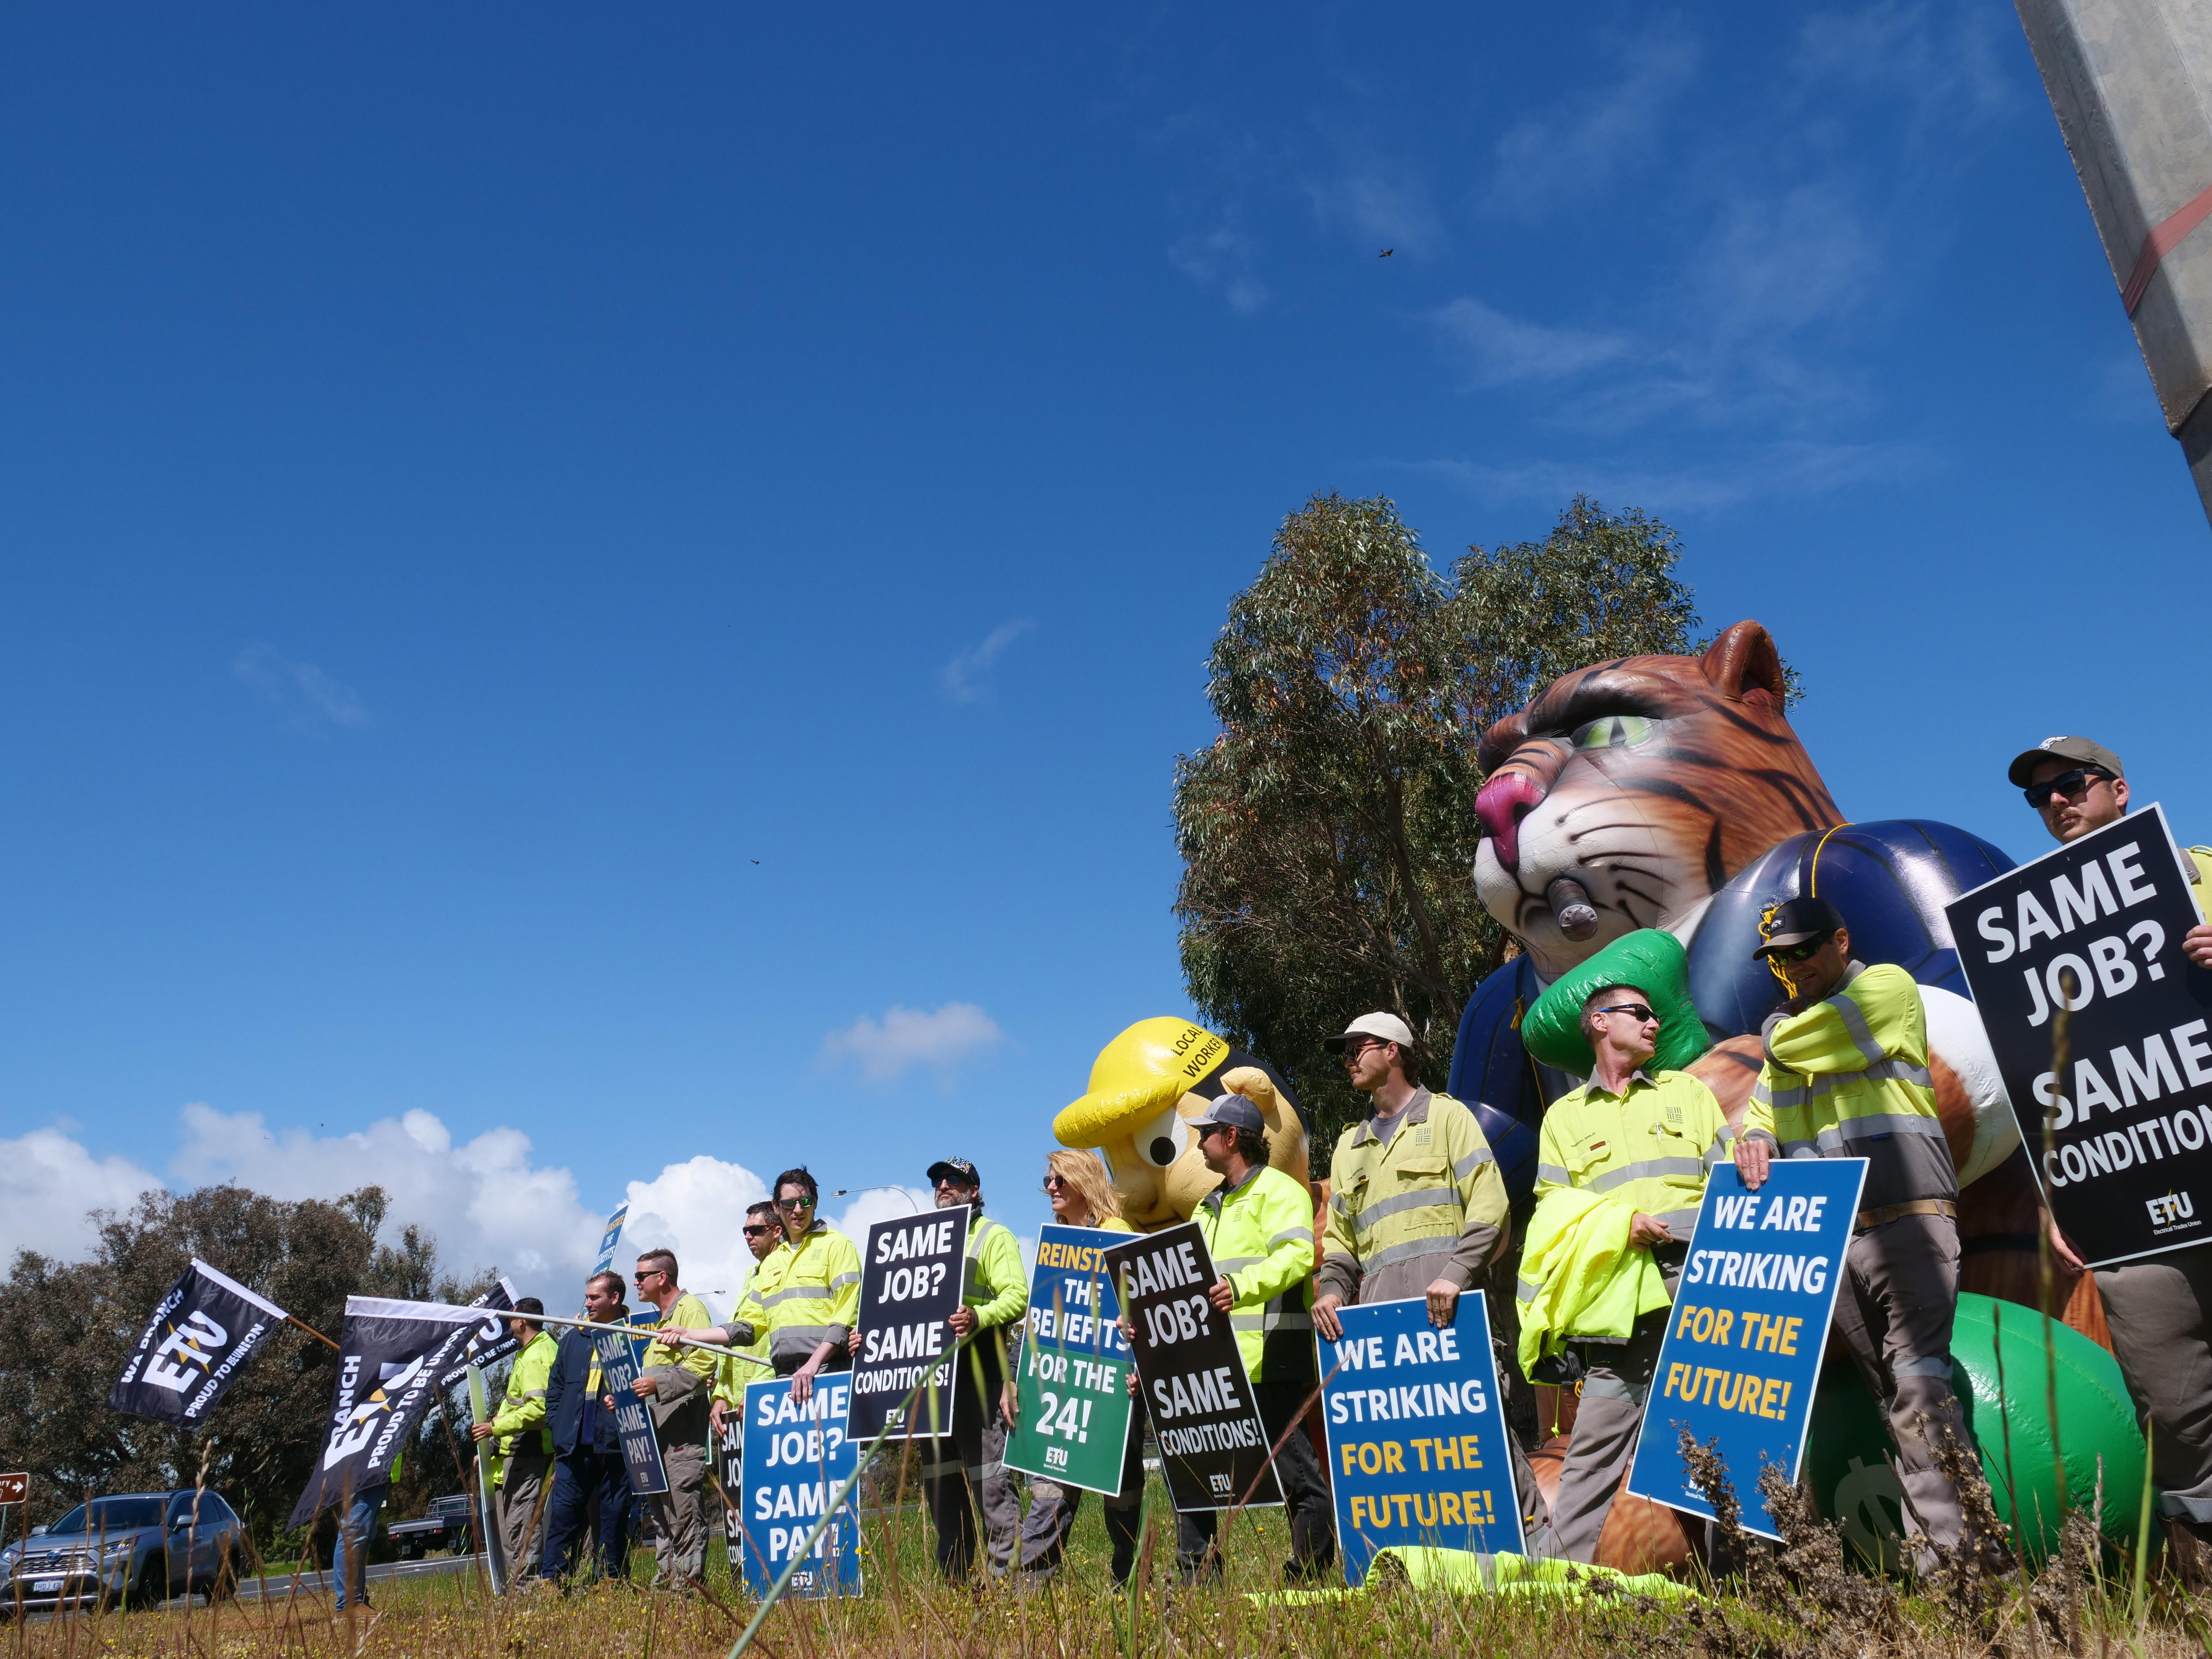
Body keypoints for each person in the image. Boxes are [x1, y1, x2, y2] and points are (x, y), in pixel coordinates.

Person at [1736, 894, 1983, 1574]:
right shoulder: (1793, 1034)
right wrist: (1755, 1136)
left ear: (1841, 940)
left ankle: (1956, 1571)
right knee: (1894, 1399)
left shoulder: (1885, 988)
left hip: (1907, 1219)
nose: (1793, 966)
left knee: (1918, 1389)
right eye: (1779, 959)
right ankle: (1960, 1557)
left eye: (1804, 950)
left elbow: (1795, 1044)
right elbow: (1759, 1112)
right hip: (1834, 1241)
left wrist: (1774, 1034)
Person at [2012, 736, 2212, 1575]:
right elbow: (2042, 1077)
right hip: (2125, 1203)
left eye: (2071, 784)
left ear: (2119, 791)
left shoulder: (2200, 871)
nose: (2057, 801)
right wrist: (2058, 1195)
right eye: (2040, 796)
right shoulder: (2021, 933)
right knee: (2174, 1406)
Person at [1309, 1012, 1548, 1548]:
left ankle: (1537, 1549)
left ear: (1393, 1050)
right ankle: (1415, 1560)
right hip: (1377, 1323)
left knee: (1479, 1431)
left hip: (1448, 1310)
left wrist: (1455, 1275)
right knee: (1397, 1444)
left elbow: (1489, 1207)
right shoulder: (1349, 1145)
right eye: (1344, 1052)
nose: (1348, 1061)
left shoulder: (1446, 1117)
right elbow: (1343, 1238)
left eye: (1356, 1048)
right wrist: (1330, 1288)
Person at [1528, 986, 1730, 1561]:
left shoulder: (1688, 1093)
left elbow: (1733, 1183)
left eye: (1655, 1014)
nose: (1653, 1023)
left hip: (1701, 1288)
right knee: (1594, 1444)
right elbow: (1554, 1216)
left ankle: (1740, 1584)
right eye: (1640, 1013)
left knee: (1713, 1437)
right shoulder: (1563, 1119)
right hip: (1620, 1303)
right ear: (1599, 1021)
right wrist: (1621, 1224)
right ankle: (1555, 1581)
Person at [1174, 1093, 1334, 1584]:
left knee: (1298, 1476)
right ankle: (1196, 1580)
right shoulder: (1205, 1208)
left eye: (1206, 1134)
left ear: (1230, 1137)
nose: (1198, 1143)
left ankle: (1307, 1575)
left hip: (1273, 1360)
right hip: (1215, 1366)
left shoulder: (1280, 1192)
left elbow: (1294, 1257)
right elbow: (1185, 1285)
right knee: (1195, 1474)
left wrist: (1241, 1288)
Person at [869, 1157, 1025, 1582]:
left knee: (991, 1487)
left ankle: (1013, 1593)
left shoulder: (993, 1236)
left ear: (974, 1190)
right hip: (933, 1391)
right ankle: (958, 1590)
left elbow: (1017, 1296)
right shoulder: (915, 1245)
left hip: (979, 1378)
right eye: (938, 1181)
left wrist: (977, 1317)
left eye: (954, 1180)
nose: (943, 1186)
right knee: (942, 1494)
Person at [1004, 1149, 1145, 1587]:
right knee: (1048, 1488)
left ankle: (1129, 1582)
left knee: (1121, 1488)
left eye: (1058, 1180)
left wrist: (1140, 1362)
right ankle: (1027, 1594)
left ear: (1084, 1182)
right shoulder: (1054, 1243)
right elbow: (1038, 1321)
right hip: (1059, 1389)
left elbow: (1139, 1311)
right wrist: (1013, 1379)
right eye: (1047, 1180)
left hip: (1113, 1387)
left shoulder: (1117, 1233)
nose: (1050, 1188)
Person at [629, 1248, 717, 1592]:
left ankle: (690, 1587)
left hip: (682, 1435)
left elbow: (705, 1362)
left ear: (661, 1278)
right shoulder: (661, 1320)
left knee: (684, 1509)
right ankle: (667, 1582)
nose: (636, 1282)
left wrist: (657, 1385)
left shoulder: (690, 1309)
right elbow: (651, 1379)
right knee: (662, 1514)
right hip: (658, 1437)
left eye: (641, 1277)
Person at [539, 1272, 634, 1586]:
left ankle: (611, 1580)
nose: (588, 1303)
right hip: (573, 1447)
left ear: (615, 1299)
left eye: (595, 1297)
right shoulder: (574, 1338)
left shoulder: (635, 1335)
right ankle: (553, 1581)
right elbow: (555, 1388)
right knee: (563, 1517)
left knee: (614, 1517)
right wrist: (558, 1425)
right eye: (588, 1297)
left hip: (617, 1445)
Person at [468, 1298, 556, 1587]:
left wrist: (494, 1428)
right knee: (516, 1523)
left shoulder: (535, 1357)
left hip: (530, 1451)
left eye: (511, 1319)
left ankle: (528, 1590)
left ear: (521, 1322)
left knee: (521, 1523)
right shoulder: (531, 1351)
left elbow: (538, 1409)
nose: (509, 1324)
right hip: (519, 1449)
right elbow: (514, 1406)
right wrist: (494, 1442)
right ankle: (521, 1588)